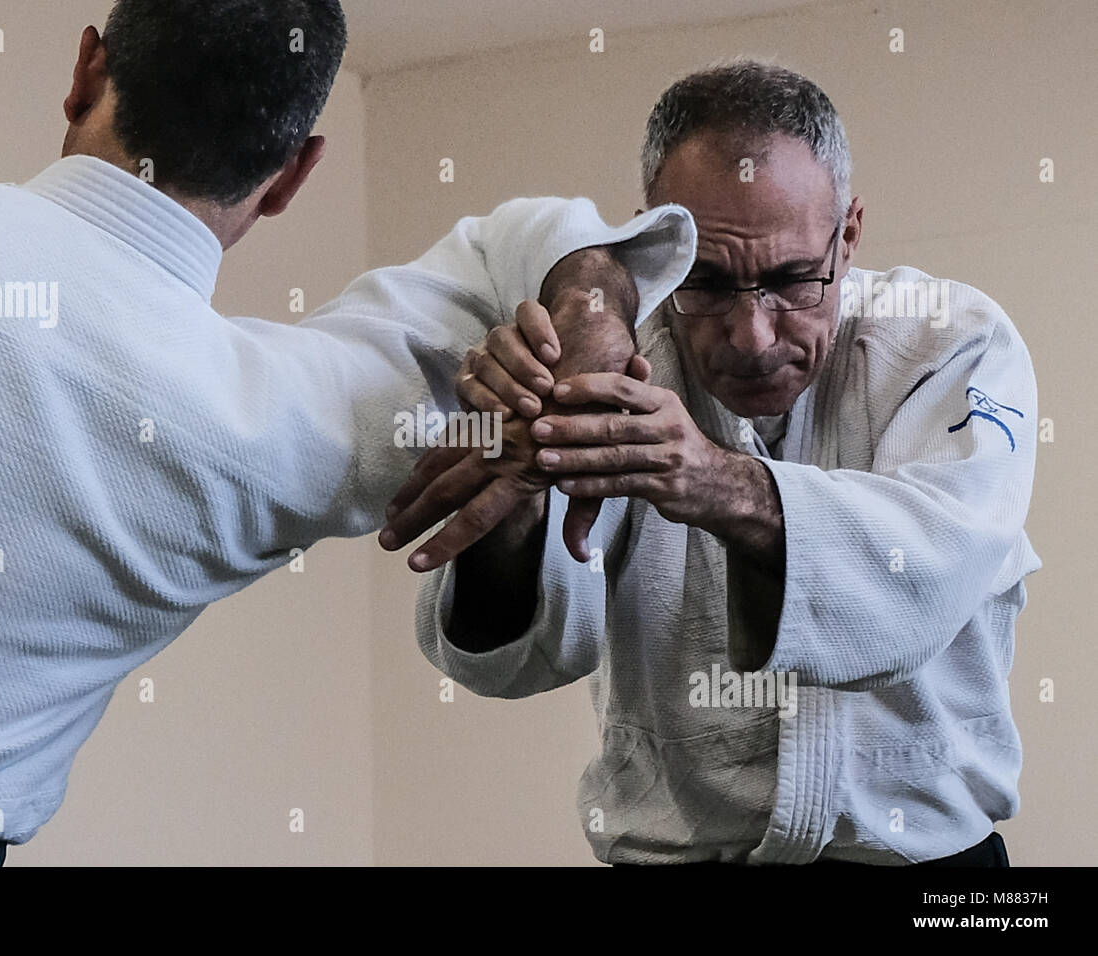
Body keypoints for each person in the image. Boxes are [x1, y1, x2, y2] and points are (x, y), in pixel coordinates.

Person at [0, 0, 696, 866]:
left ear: (85, 72)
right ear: (293, 177)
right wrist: (588, 313)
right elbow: (517, 240)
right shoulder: (285, 421)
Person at [384, 60, 1040, 866]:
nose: (752, 335)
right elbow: (519, 661)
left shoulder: (952, 342)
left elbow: (930, 579)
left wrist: (711, 481)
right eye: (707, 283)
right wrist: (519, 495)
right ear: (661, 240)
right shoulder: (611, 367)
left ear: (850, 233)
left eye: (794, 280)